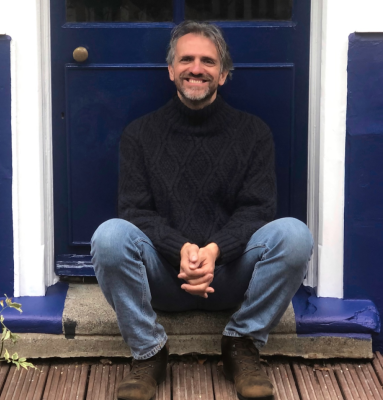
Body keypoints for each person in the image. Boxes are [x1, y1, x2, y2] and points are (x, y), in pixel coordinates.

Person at [91, 20, 313, 400]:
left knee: (295, 234)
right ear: (171, 70)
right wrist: (181, 249)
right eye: (187, 59)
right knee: (109, 236)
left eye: (208, 61)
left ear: (223, 74)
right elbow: (135, 211)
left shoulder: (254, 133)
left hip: (231, 275)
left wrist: (213, 251)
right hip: (164, 277)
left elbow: (257, 210)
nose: (196, 69)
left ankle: (241, 343)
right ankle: (148, 352)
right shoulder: (139, 135)